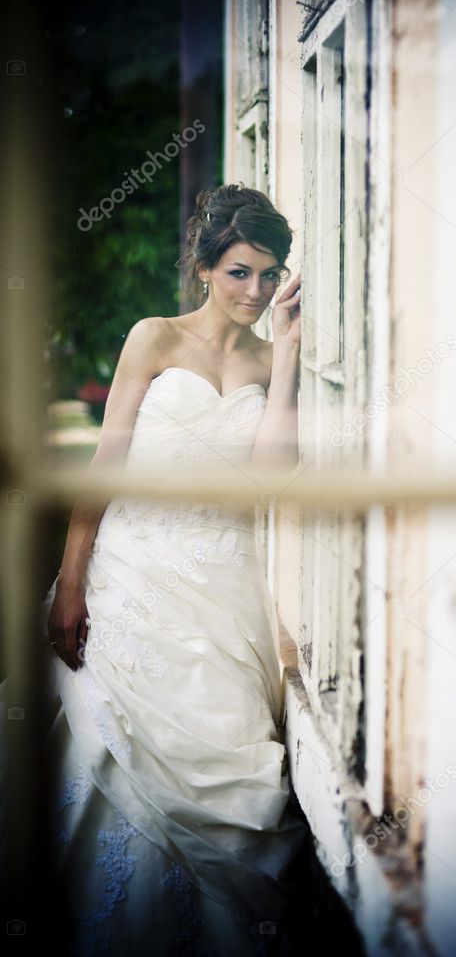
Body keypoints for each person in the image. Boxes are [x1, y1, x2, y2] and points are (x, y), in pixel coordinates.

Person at [2, 183, 311, 955]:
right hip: (131, 573)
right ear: (205, 267)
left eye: (271, 274)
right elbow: (106, 467)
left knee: (232, 764)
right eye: (241, 271)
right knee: (102, 744)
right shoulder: (154, 337)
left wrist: (294, 353)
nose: (256, 290)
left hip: (222, 589)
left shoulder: (271, 357)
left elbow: (275, 473)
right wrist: (72, 582)